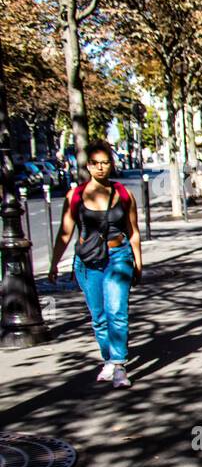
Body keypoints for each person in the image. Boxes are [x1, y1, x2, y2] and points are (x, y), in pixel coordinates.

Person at [48, 140, 143, 389]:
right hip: (88, 261)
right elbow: (65, 233)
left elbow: (133, 231)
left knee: (116, 309)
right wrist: (54, 264)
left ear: (112, 164)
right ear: (88, 165)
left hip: (119, 255)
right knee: (99, 317)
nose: (101, 168)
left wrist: (138, 262)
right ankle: (109, 359)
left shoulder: (124, 193)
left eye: (105, 162)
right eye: (95, 163)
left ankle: (120, 364)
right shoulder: (76, 195)